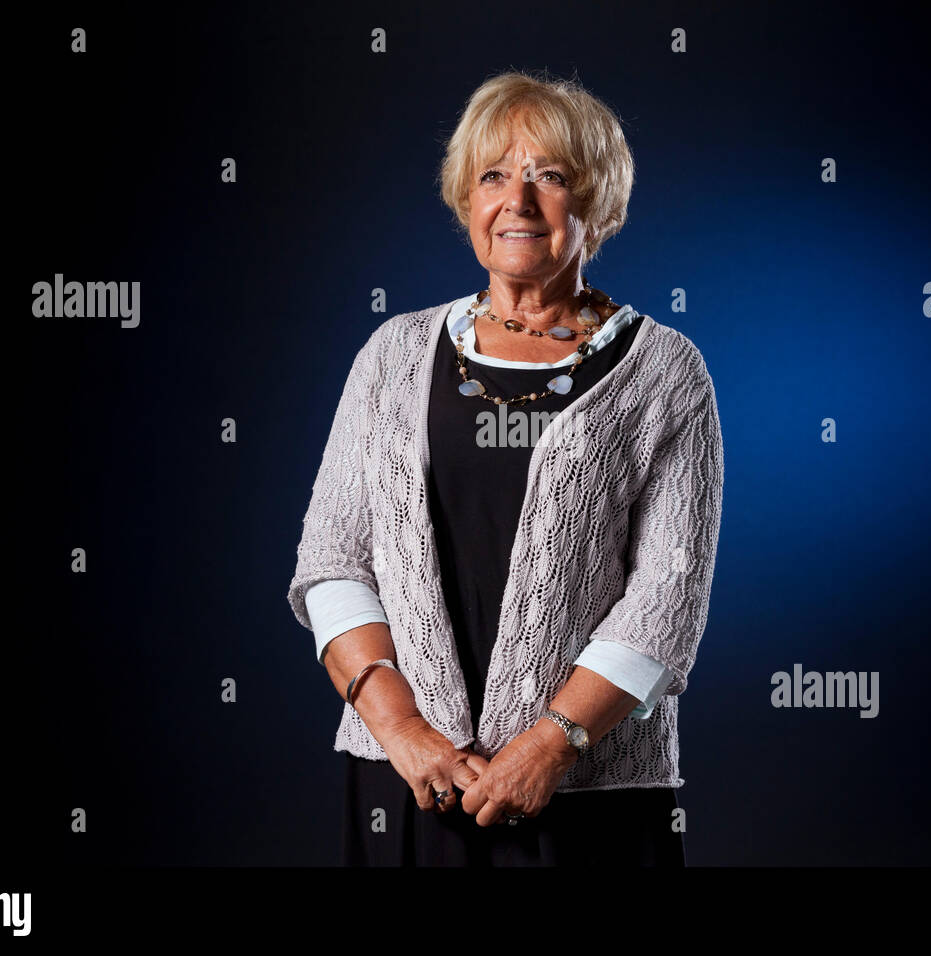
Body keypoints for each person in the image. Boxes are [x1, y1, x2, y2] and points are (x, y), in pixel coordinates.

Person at [287, 69, 724, 865]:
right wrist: (407, 732)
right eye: (493, 176)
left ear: (600, 204)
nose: (517, 202)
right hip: (407, 778)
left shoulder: (666, 371)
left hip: (589, 788)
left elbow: (669, 594)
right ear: (466, 201)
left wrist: (550, 745)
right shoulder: (392, 355)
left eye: (550, 178)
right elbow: (331, 564)